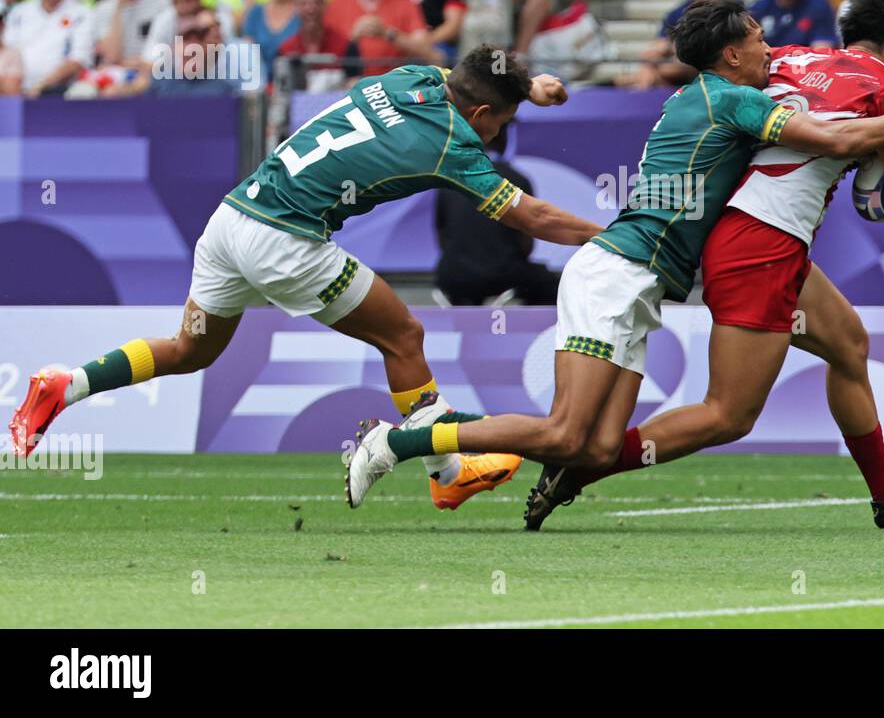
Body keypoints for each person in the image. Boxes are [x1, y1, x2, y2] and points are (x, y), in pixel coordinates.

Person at [343, 0, 884, 512]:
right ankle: (399, 443)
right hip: (616, 272)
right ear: (730, 55)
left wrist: (530, 85)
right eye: (759, 40)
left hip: (642, 280)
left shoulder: (706, 92)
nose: (771, 50)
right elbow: (835, 138)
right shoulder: (731, 100)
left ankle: (569, 472)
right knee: (565, 431)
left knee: (595, 448)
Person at [12, 49, 606, 508]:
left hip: (231, 220)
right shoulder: (454, 142)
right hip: (284, 241)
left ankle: (67, 384)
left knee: (189, 349)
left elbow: (474, 73)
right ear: (479, 114)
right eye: (500, 122)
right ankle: (447, 476)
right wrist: (607, 235)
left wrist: (528, 86)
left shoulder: (410, 77)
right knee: (402, 337)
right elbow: (531, 215)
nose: (497, 135)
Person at [522, 0, 884, 532]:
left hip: (741, 230)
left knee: (848, 343)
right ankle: (581, 468)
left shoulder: (791, 58)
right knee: (728, 414)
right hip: (765, 244)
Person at [435, 129, 561, 306]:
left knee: (467, 281)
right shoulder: (517, 179)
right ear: (501, 138)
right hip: (503, 277)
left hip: (452, 278)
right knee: (552, 286)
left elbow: (442, 239)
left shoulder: (450, 181)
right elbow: (526, 245)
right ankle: (526, 332)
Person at [622, 0, 725, 88]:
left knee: (667, 68)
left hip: (717, 69)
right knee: (651, 68)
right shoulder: (676, 14)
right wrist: (658, 53)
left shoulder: (733, 10)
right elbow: (659, 45)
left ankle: (622, 83)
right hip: (684, 72)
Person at [0, 0, 92, 97]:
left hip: (58, 91)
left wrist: (40, 86)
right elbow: (7, 50)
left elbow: (78, 59)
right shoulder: (20, 11)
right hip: (15, 89)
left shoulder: (81, 12)